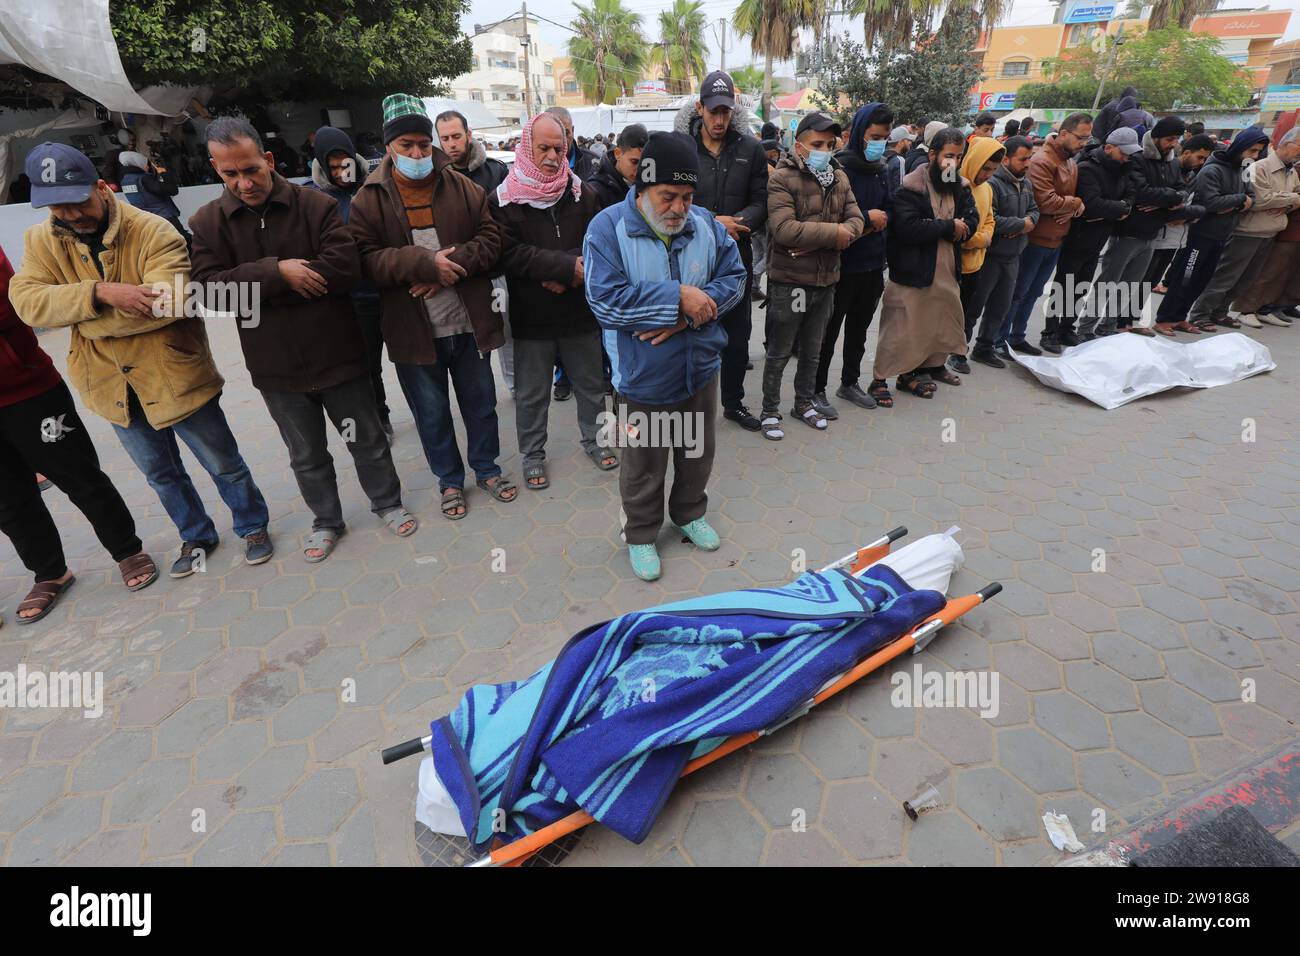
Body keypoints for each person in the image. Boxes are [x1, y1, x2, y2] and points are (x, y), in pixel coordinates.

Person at [10, 142, 272, 577]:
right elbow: (27, 303)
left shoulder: (153, 229)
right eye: (57, 208)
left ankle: (252, 525)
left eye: (78, 203)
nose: (71, 216)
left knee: (224, 463)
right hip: (110, 384)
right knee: (161, 474)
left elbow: (165, 302)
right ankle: (197, 535)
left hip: (175, 372)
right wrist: (100, 293)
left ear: (101, 188)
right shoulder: (40, 240)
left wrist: (80, 317)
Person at [190, 118, 417, 563]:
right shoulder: (208, 222)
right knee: (306, 454)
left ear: (268, 160)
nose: (244, 182)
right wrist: (279, 272)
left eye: (251, 169)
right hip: (275, 367)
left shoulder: (315, 206)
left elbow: (344, 267)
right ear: (216, 169)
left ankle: (388, 502)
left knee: (366, 440)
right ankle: (327, 520)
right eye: (230, 173)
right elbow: (210, 291)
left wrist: (261, 287)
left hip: (339, 354)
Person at [583, 131, 745, 581]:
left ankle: (689, 514)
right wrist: (677, 297)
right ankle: (639, 534)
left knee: (696, 451)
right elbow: (604, 301)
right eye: (667, 196)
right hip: (643, 376)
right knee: (644, 462)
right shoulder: (607, 229)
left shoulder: (707, 225)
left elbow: (736, 279)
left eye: (688, 196)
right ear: (642, 186)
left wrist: (689, 315)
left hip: (700, 368)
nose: (678, 208)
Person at [350, 94, 513, 520]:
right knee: (431, 412)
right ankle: (449, 481)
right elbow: (363, 260)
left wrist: (449, 265)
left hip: (469, 322)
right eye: (407, 146)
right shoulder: (369, 198)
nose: (419, 154)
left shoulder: (462, 186)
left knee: (481, 403)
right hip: (414, 330)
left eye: (424, 144)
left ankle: (488, 468)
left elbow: (493, 241)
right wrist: (421, 264)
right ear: (390, 147)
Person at [0, 247, 158, 624]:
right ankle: (50, 572)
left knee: (79, 476)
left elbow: (12, 305)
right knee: (8, 499)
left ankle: (126, 550)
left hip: (28, 389)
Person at [490, 113, 615, 491]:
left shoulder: (581, 192)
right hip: (532, 316)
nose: (551, 155)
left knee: (591, 385)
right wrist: (563, 267)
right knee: (531, 394)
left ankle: (595, 440)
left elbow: (600, 241)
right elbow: (505, 254)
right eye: (542, 147)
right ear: (526, 147)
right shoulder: (504, 199)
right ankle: (532, 455)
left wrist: (571, 271)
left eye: (558, 148)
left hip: (579, 310)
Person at [673, 71, 770, 433]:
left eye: (725, 112)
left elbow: (762, 202)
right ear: (699, 107)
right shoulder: (680, 149)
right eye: (713, 111)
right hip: (688, 257)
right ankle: (683, 405)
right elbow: (666, 203)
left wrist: (739, 221)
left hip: (735, 258)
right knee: (687, 327)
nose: (719, 119)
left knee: (736, 333)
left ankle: (733, 402)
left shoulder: (750, 149)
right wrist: (715, 223)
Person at [761, 112, 864, 437]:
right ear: (800, 144)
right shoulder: (781, 178)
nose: (824, 149)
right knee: (779, 351)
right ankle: (769, 410)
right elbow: (785, 230)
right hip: (790, 282)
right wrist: (835, 236)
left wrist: (828, 237)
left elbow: (857, 220)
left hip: (826, 280)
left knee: (813, 350)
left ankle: (803, 402)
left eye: (829, 144)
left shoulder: (839, 177)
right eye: (817, 143)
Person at [870, 127, 978, 403]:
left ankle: (912, 375)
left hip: (946, 270)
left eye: (958, 157)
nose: (953, 162)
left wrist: (959, 226)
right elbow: (908, 228)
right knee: (900, 328)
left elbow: (972, 220)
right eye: (948, 156)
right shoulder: (910, 187)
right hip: (912, 271)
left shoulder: (961, 186)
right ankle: (879, 379)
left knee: (934, 324)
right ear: (932, 155)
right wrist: (949, 226)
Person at [307, 125, 393, 441]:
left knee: (414, 359)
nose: (341, 172)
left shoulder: (374, 188)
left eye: (345, 164)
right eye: (332, 167)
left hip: (387, 289)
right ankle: (380, 416)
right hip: (353, 299)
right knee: (368, 365)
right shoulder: (315, 199)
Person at [813, 103, 893, 417]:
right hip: (842, 266)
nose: (879, 143)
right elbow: (829, 216)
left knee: (859, 332)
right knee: (828, 333)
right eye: (874, 136)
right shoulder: (838, 168)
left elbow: (890, 206)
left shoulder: (883, 169)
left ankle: (849, 383)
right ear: (859, 133)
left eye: (884, 137)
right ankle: (816, 389)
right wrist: (868, 219)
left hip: (873, 265)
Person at [995, 112, 1092, 357]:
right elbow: (1046, 202)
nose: (1084, 143)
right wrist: (1074, 202)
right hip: (1034, 239)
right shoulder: (1042, 161)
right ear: (1064, 134)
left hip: (1056, 239)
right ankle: (999, 339)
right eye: (1081, 137)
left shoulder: (1070, 161)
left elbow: (1073, 206)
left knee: (1033, 292)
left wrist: (1071, 207)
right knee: (1018, 292)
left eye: (1087, 139)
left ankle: (1016, 336)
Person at [1157, 127, 1268, 333]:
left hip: (1222, 235)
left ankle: (1181, 318)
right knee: (1185, 278)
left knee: (1201, 280)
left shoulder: (1243, 169)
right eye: (1252, 151)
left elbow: (1253, 198)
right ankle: (1165, 318)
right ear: (1241, 147)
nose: (1255, 156)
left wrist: (1238, 202)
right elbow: (1212, 202)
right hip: (1199, 235)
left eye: (1258, 152)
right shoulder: (1212, 170)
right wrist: (1240, 200)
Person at [1197, 128, 1300, 330]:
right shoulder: (1259, 167)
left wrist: (1284, 200)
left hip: (1270, 232)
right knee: (1226, 277)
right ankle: (1200, 314)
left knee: (1245, 280)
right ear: (1286, 144)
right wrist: (1289, 199)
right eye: (1299, 146)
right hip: (1247, 232)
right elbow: (1259, 200)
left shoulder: (1290, 171)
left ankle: (1220, 312)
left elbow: (1296, 195)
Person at [1052, 128, 1139, 344]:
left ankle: (1066, 328)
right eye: (1123, 153)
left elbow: (1130, 197)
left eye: (1129, 154)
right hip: (1078, 236)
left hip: (1098, 238)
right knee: (1064, 286)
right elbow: (1092, 204)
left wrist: (1119, 208)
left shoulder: (1123, 169)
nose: (1126, 158)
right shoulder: (1088, 168)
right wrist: (1117, 208)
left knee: (1080, 286)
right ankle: (1051, 332)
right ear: (1109, 148)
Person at [968, 137, 1038, 369]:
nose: (1027, 163)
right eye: (1023, 159)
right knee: (973, 308)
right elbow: (992, 220)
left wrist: (1026, 223)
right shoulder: (992, 185)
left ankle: (984, 348)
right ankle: (957, 351)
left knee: (1000, 307)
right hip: (989, 257)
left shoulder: (1025, 184)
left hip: (1013, 256)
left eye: (1030, 158)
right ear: (1006, 159)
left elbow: (1035, 211)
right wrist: (1021, 225)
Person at [947, 135, 1004, 374]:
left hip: (976, 264)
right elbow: (955, 228)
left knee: (970, 313)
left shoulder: (987, 189)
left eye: (993, 170)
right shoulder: (955, 186)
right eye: (985, 168)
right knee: (947, 314)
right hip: (953, 263)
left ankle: (960, 352)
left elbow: (989, 218)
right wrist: (981, 239)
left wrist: (986, 235)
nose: (988, 174)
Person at [116, 150, 192, 251]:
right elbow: (172, 190)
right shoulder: (143, 179)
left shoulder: (125, 181)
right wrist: (164, 174)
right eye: (146, 163)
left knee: (167, 247)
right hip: (164, 217)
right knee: (184, 241)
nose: (148, 166)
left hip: (148, 220)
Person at [435, 110, 509, 194]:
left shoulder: (497, 172)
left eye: (456, 137)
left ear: (469, 135)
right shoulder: (434, 178)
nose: (451, 144)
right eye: (445, 139)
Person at [587, 123, 648, 210]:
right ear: (618, 153)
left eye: (644, 163)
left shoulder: (646, 185)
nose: (639, 169)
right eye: (634, 162)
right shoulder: (595, 190)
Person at [544, 106, 599, 181]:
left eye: (566, 133)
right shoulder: (533, 165)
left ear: (572, 131)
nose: (561, 140)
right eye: (553, 134)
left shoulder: (593, 162)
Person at [885, 126, 912, 194]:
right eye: (908, 140)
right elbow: (899, 190)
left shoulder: (883, 156)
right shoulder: (900, 161)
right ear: (900, 142)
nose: (910, 143)